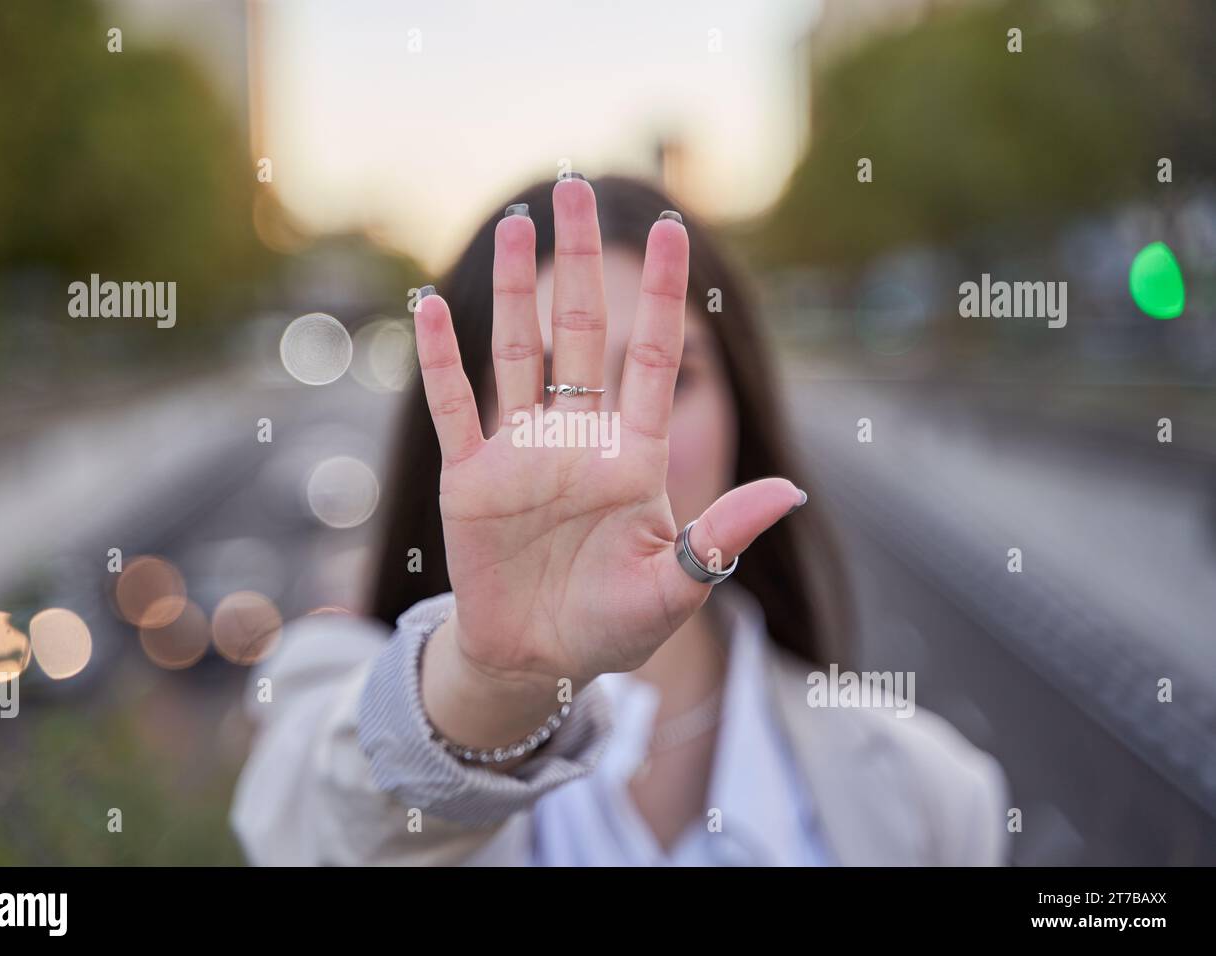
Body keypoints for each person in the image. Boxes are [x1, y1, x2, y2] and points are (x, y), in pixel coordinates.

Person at [230, 175, 1009, 866]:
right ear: (458, 420)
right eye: (543, 385)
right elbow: (316, 827)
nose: (608, 443)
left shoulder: (934, 792)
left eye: (671, 378)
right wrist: (495, 685)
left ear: (744, 408)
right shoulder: (324, 684)